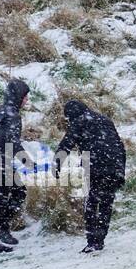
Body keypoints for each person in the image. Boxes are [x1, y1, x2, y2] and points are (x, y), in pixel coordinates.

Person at [54, 100, 126, 253]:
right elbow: (119, 145)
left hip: (95, 165)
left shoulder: (79, 121)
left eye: (68, 118)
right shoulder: (105, 120)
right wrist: (121, 171)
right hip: (114, 164)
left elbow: (66, 144)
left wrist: (57, 165)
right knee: (106, 204)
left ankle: (93, 241)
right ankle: (100, 239)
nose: (69, 121)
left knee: (91, 204)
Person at [0, 79, 29, 253]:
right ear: (18, 96)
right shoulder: (12, 114)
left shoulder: (0, 112)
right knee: (5, 198)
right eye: (25, 96)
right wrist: (28, 161)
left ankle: (2, 229)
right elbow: (12, 141)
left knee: (14, 193)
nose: (26, 100)